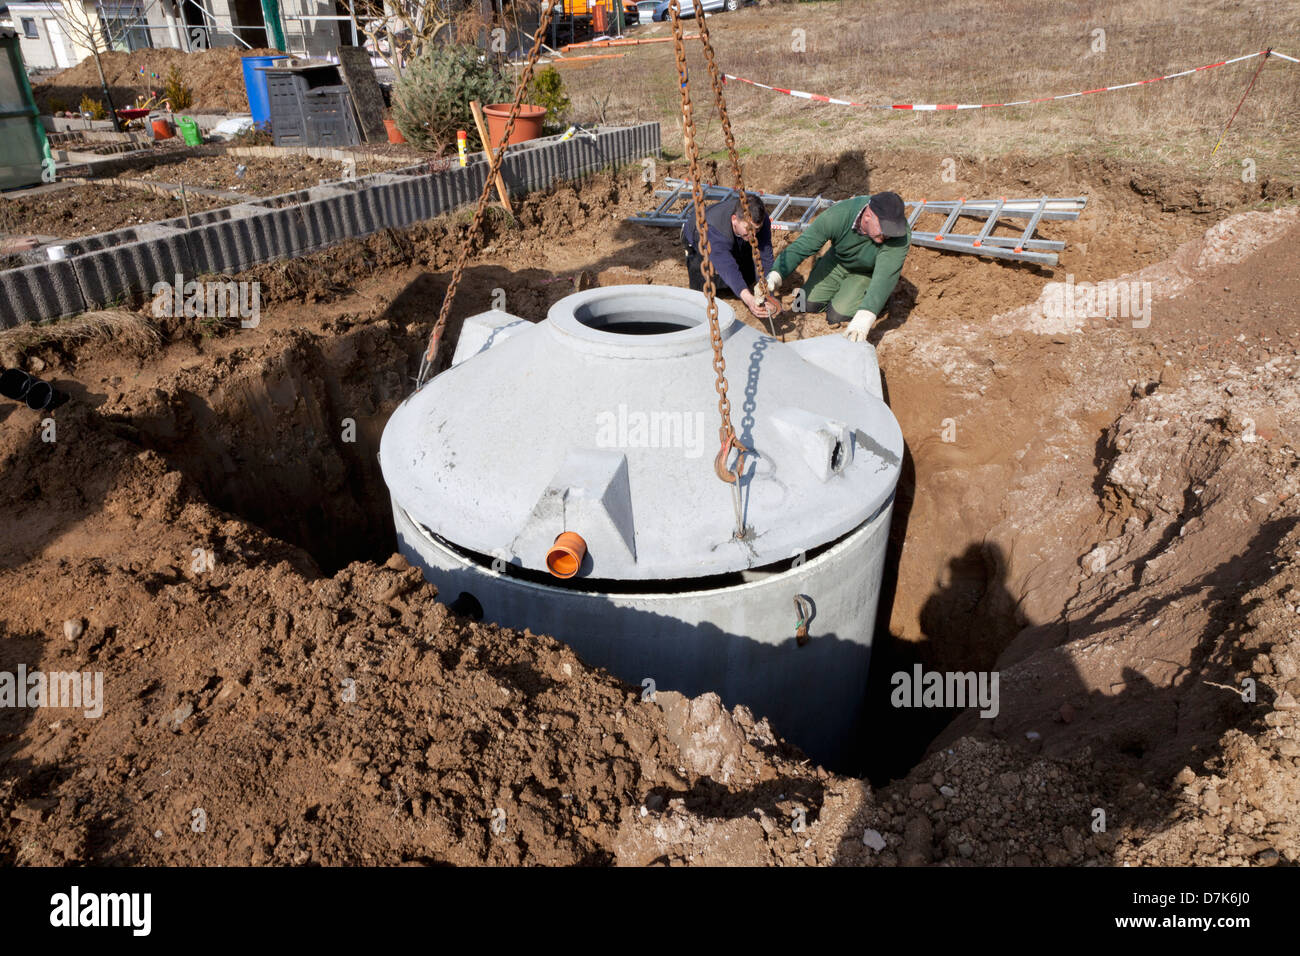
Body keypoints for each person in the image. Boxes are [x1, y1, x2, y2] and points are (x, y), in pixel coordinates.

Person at [762, 191, 911, 342]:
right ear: (868, 216)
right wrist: (775, 276)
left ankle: (874, 300)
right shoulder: (839, 215)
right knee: (803, 303)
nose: (888, 235)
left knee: (837, 315)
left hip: (865, 273)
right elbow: (802, 246)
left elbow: (885, 277)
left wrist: (866, 315)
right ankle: (838, 291)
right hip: (837, 262)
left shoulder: (900, 234)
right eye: (884, 229)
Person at [681, 191, 780, 321]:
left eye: (757, 230)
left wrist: (767, 293)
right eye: (749, 229)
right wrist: (748, 299)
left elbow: (764, 256)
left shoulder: (760, 220)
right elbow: (727, 267)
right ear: (734, 219)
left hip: (735, 237)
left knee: (748, 275)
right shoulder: (713, 229)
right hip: (698, 239)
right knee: (704, 283)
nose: (754, 234)